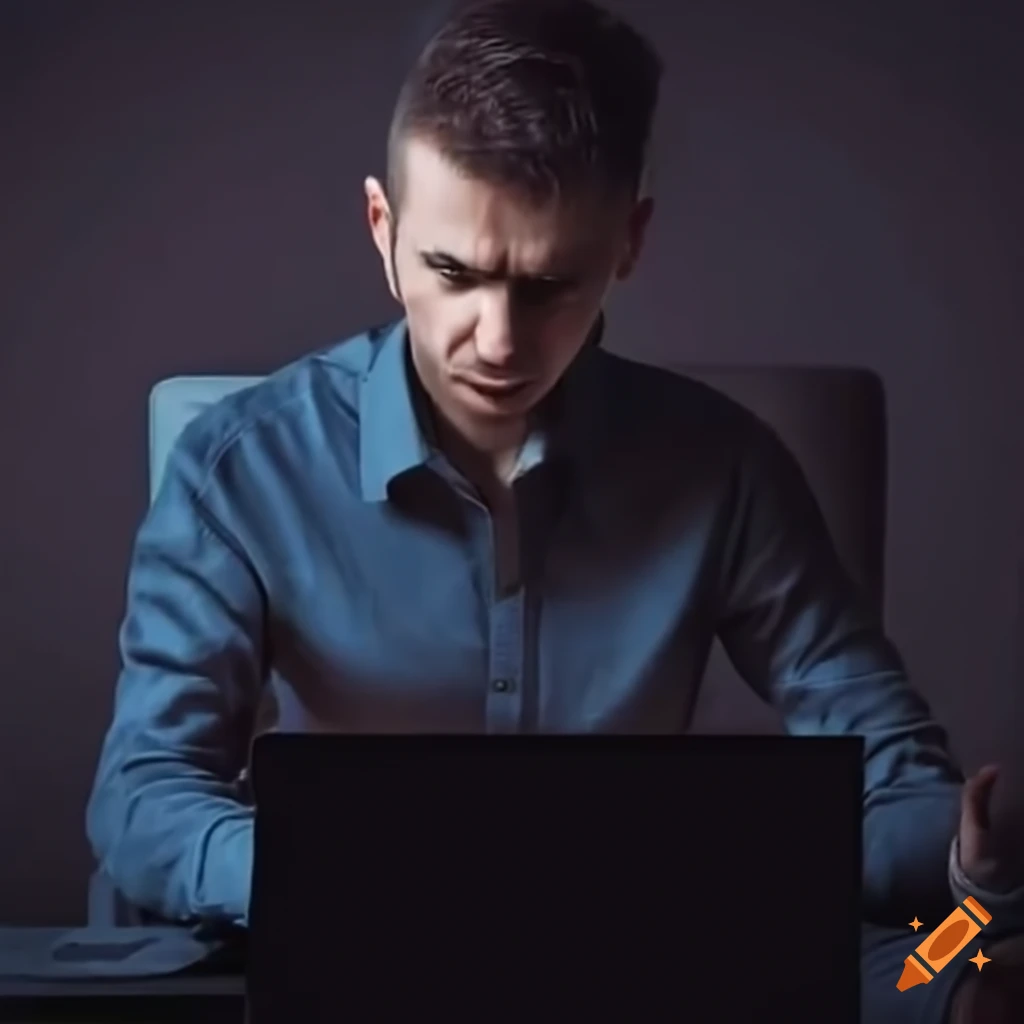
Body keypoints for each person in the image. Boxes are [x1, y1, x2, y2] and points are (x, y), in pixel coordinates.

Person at [85, 0, 1024, 1019]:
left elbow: (893, 779)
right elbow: (141, 798)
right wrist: (335, 879)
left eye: (548, 284)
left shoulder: (727, 468)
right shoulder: (237, 470)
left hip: (668, 967)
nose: (496, 338)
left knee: (968, 959)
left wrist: (969, 853)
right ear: (382, 230)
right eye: (453, 273)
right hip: (363, 966)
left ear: (627, 243)